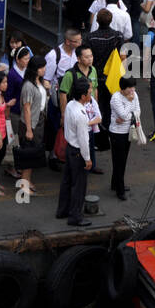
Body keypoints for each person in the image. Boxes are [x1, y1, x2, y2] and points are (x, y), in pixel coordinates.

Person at [56, 77, 95, 226]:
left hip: (69, 149)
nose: (91, 94)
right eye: (89, 92)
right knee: (79, 186)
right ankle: (75, 216)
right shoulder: (80, 114)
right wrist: (87, 159)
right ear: (83, 96)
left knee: (66, 181)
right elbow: (84, 140)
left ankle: (63, 210)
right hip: (78, 152)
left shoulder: (70, 105)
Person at [58, 43, 103, 174]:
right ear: (78, 59)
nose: (90, 59)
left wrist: (96, 107)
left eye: (91, 56)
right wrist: (63, 114)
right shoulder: (70, 74)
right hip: (78, 112)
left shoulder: (93, 70)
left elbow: (95, 89)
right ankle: (81, 165)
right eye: (87, 57)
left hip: (90, 112)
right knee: (79, 139)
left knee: (90, 139)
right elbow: (63, 94)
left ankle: (92, 164)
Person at [43, 28, 81, 166]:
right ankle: (53, 155)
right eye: (77, 41)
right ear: (68, 41)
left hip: (74, 97)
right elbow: (46, 79)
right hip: (58, 98)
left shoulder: (77, 53)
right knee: (56, 125)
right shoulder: (54, 56)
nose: (80, 43)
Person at [18, 55, 50, 196]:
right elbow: (27, 109)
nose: (44, 69)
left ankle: (27, 180)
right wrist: (29, 129)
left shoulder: (40, 82)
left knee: (33, 153)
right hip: (30, 124)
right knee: (29, 155)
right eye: (42, 67)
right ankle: (23, 185)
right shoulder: (28, 86)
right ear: (35, 69)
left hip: (39, 121)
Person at [108, 76, 141, 200]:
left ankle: (115, 184)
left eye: (133, 87)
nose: (132, 90)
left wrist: (128, 115)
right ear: (123, 88)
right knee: (119, 161)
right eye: (130, 88)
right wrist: (128, 102)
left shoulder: (134, 94)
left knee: (122, 160)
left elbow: (138, 111)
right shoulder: (116, 98)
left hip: (128, 131)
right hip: (117, 133)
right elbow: (122, 113)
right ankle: (120, 190)